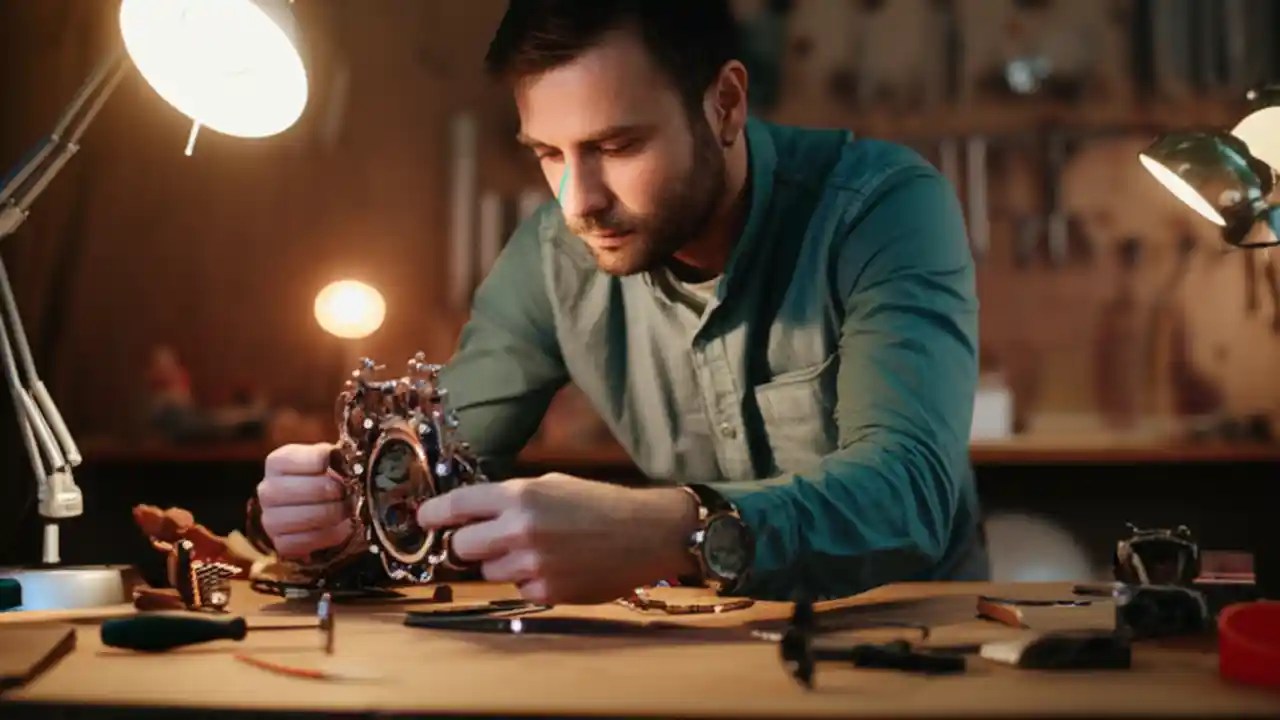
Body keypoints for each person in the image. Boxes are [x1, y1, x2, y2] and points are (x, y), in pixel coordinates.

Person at [255, 0, 989, 605]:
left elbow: (910, 494)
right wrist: (329, 509)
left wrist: (671, 530)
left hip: (905, 649)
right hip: (690, 651)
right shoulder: (552, 255)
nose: (580, 203)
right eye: (548, 154)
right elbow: (437, 467)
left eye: (617, 145)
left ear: (725, 104)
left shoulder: (881, 207)